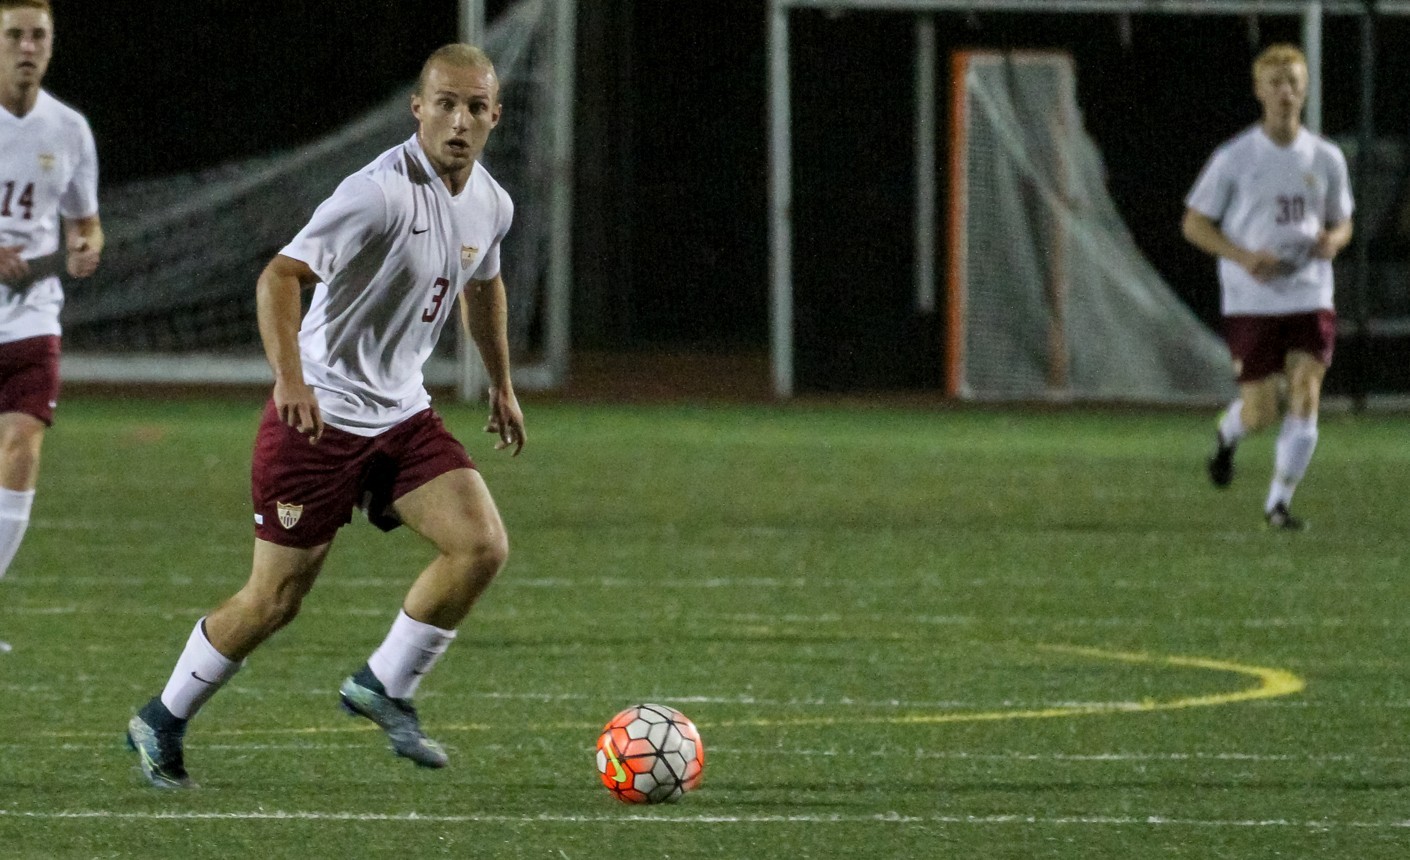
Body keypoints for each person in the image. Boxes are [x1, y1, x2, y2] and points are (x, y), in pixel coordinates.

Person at [125, 43, 525, 788]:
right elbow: (279, 276)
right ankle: (162, 716)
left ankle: (384, 685)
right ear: (418, 108)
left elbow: (483, 286)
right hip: (319, 421)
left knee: (480, 546)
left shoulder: (491, 202)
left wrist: (501, 384)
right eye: (445, 104)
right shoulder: (377, 193)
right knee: (275, 601)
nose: (459, 121)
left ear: (494, 116)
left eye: (475, 107)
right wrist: (291, 380)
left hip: (401, 416)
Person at [1182, 43, 1353, 531]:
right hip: (1251, 299)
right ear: (1259, 90)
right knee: (1261, 412)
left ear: (1305, 89)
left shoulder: (1326, 157)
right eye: (1276, 83)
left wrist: (1333, 240)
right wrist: (1242, 257)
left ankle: (1278, 504)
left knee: (1305, 390)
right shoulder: (1235, 157)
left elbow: (1343, 221)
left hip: (1309, 292)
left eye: (1293, 82)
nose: (1285, 92)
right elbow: (1194, 224)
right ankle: (1228, 434)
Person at [0, 0, 102, 652]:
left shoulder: (69, 129)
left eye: (38, 35)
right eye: (14, 35)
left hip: (32, 318)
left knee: (21, 447)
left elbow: (85, 222)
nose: (27, 47)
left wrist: (88, 245)